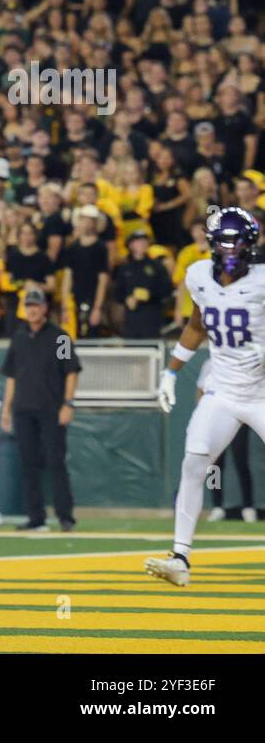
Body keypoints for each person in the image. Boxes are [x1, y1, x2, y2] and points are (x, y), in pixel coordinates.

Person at [149, 208, 265, 587]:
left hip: (262, 391)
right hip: (224, 390)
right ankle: (180, 556)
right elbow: (197, 324)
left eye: (239, 242)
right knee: (194, 462)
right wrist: (171, 371)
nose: (232, 249)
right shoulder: (197, 275)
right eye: (226, 242)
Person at [0, 286, 81, 532]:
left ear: (45, 308)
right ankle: (36, 517)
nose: (33, 310)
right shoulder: (19, 337)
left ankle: (65, 516)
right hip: (24, 409)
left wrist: (68, 403)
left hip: (51, 408)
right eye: (29, 306)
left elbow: (71, 371)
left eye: (36, 305)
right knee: (28, 462)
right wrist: (6, 409)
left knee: (56, 461)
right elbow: (11, 376)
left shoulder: (61, 337)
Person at [198, 360, 257, 523]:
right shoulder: (208, 364)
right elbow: (200, 390)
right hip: (215, 420)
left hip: (237, 420)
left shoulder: (241, 361)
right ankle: (217, 506)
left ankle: (248, 507)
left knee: (241, 464)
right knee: (214, 466)